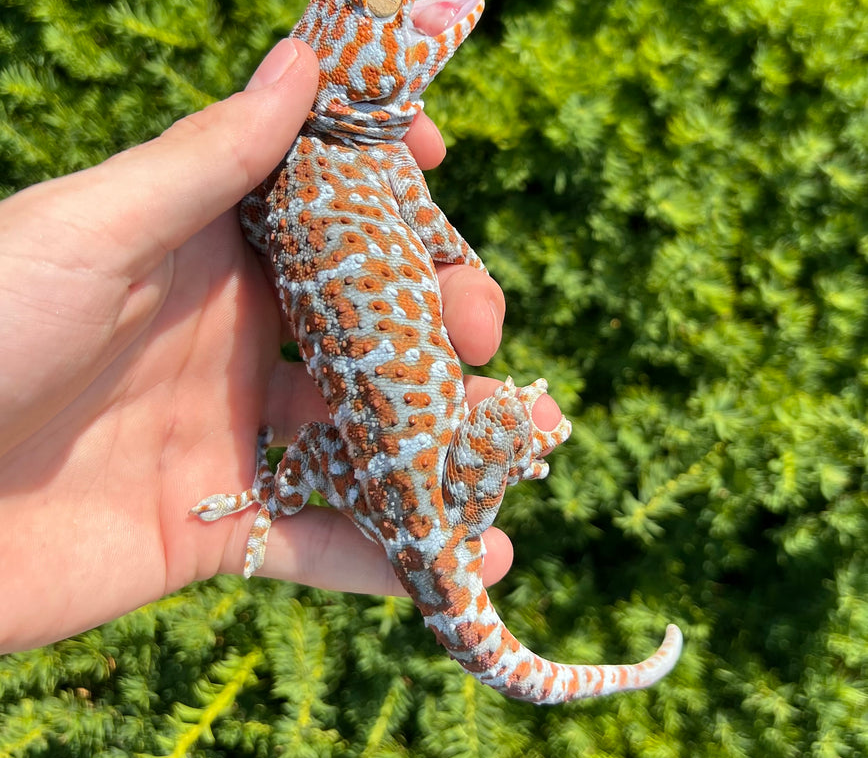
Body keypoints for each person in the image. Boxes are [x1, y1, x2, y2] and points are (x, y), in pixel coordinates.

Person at [0, 38, 562, 654]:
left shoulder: (335, 156)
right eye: (378, 6)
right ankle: (495, 457)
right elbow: (449, 248)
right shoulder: (367, 154)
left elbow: (257, 221)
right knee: (507, 416)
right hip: (419, 489)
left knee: (491, 426)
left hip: (413, 484)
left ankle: (289, 494)